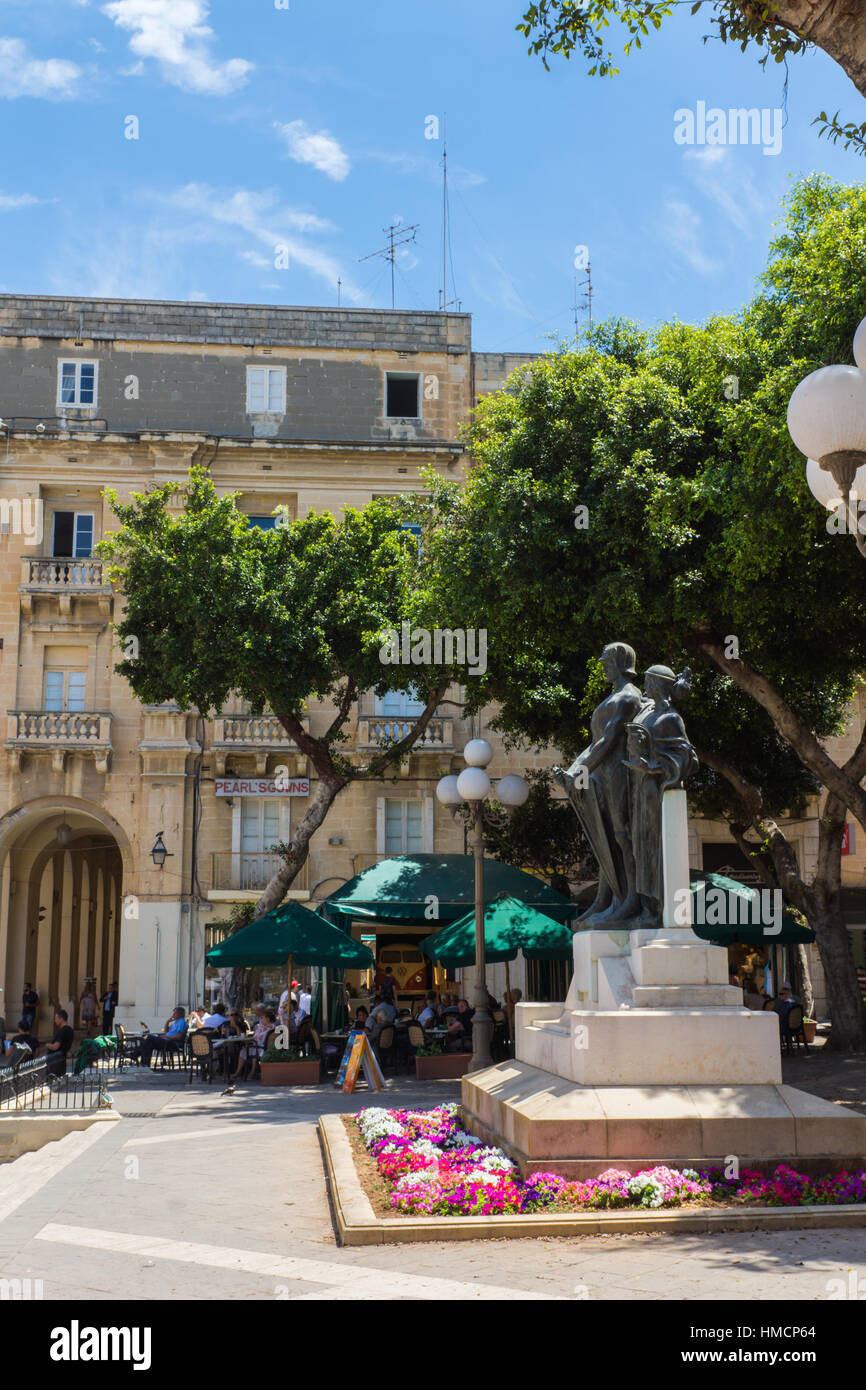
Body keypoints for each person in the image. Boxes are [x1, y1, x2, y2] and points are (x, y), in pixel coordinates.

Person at [44, 1009, 74, 1076]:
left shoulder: (63, 1031)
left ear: (61, 1019)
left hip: (55, 1061)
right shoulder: (70, 1030)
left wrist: (48, 1045)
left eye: (56, 1018)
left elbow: (55, 1046)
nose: (55, 1021)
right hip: (61, 1059)